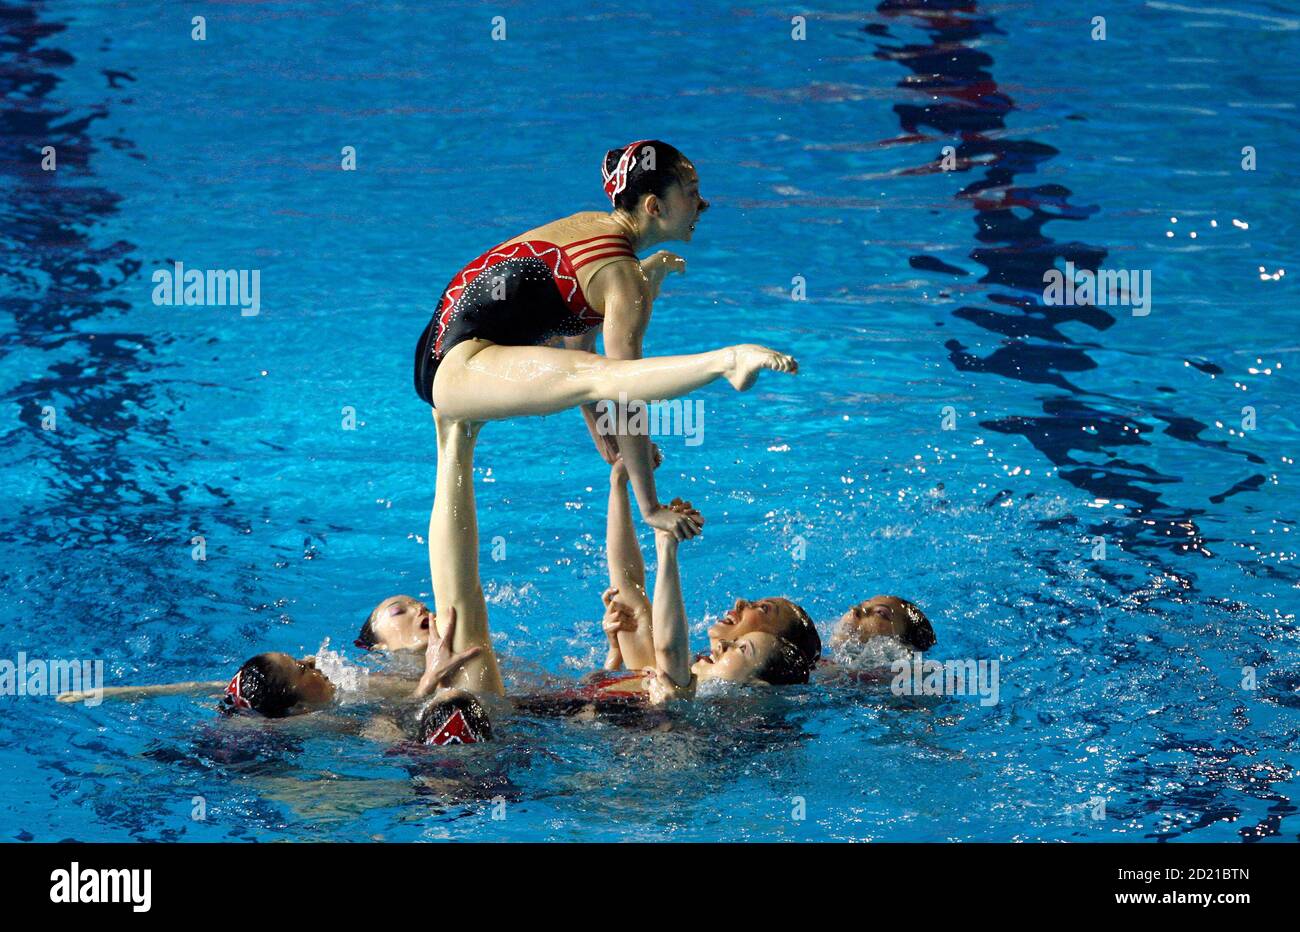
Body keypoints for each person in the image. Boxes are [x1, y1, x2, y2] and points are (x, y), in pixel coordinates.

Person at [413, 140, 799, 696]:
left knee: (472, 450)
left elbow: (571, 333)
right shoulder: (622, 277)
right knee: (604, 377)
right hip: (461, 364)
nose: (704, 204)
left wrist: (603, 433)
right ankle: (727, 360)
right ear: (654, 208)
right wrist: (650, 508)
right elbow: (624, 392)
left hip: (443, 353)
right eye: (691, 194)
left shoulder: (595, 233)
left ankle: (459, 657)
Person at [585, 458, 821, 703]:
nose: (741, 602)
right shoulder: (675, 676)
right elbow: (627, 590)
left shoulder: (677, 690)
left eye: (763, 609)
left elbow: (668, 650)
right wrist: (619, 482)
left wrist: (666, 541)